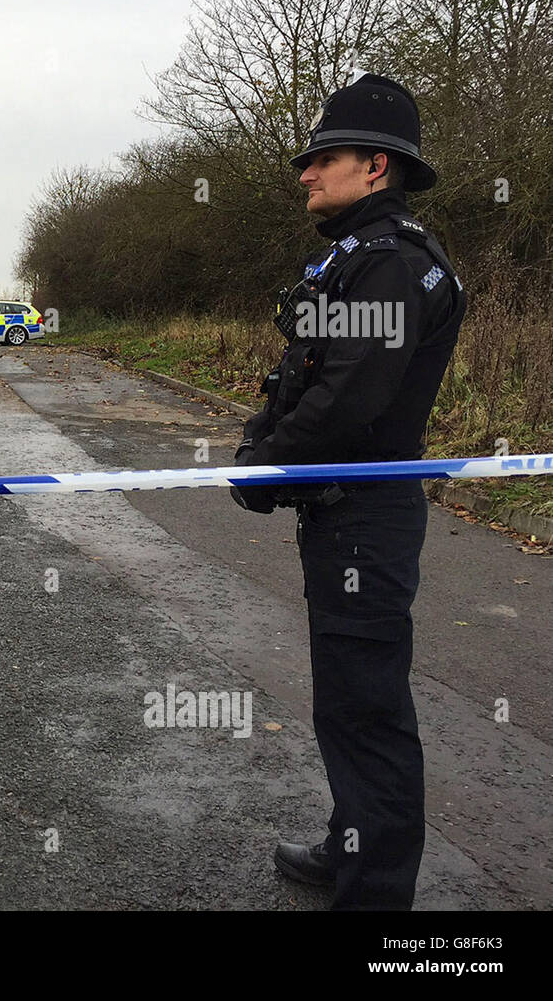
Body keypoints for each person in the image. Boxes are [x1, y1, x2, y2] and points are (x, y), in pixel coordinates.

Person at [231, 74, 466, 909]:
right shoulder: (355, 257)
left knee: (367, 710)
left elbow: (350, 406)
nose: (305, 174)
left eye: (320, 159)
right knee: (345, 699)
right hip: (342, 513)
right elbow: (306, 377)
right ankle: (349, 843)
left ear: (375, 166)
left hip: (364, 515)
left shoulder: (393, 266)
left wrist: (268, 466)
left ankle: (374, 895)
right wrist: (262, 437)